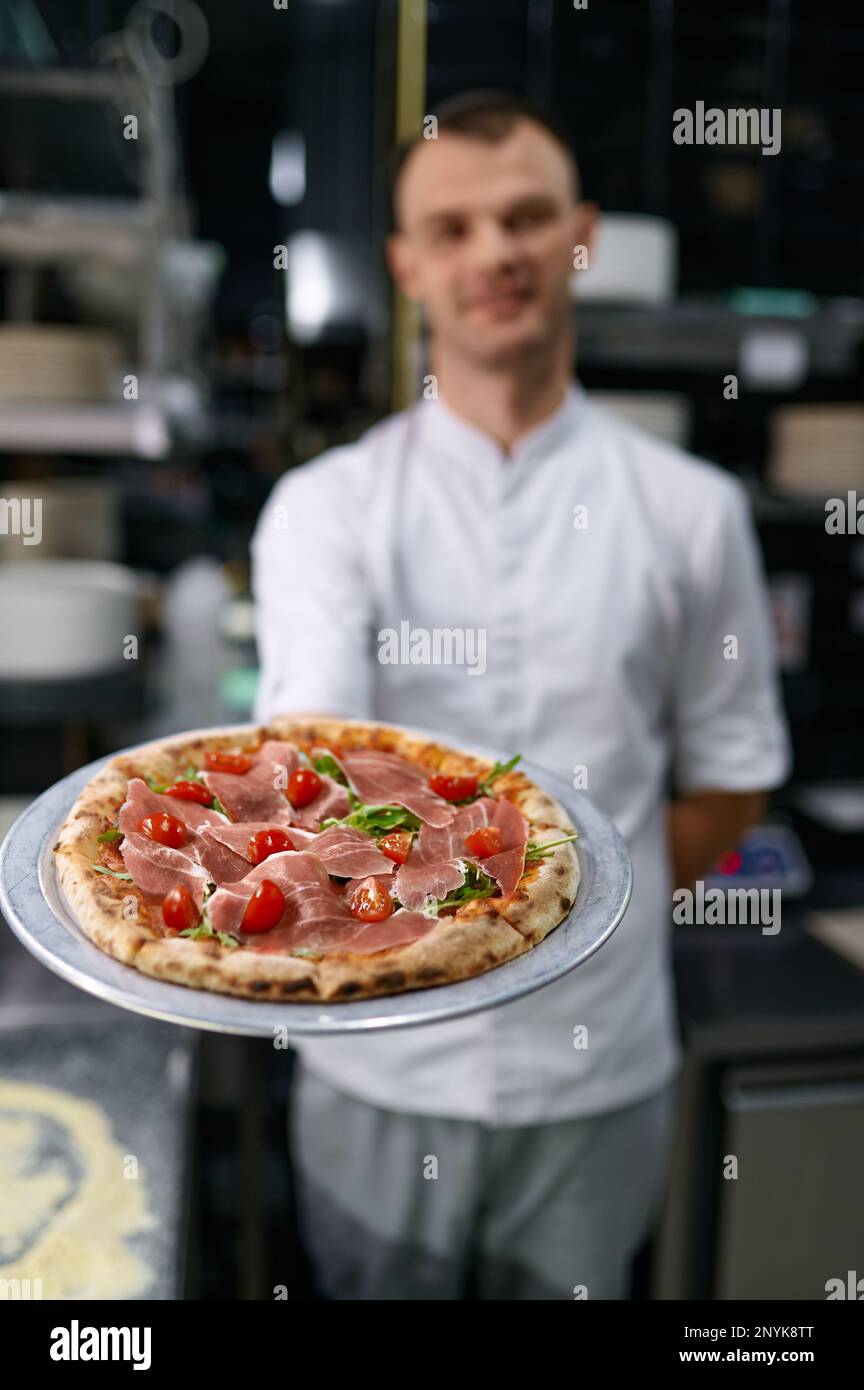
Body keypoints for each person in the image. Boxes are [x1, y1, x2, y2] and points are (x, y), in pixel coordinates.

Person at [251, 90, 791, 1300]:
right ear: (406, 264)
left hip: (595, 1077)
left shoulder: (690, 511)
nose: (494, 250)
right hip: (379, 1070)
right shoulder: (328, 509)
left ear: (581, 236)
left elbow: (733, 768)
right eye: (453, 228)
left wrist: (578, 906)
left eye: (527, 217)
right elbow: (308, 754)